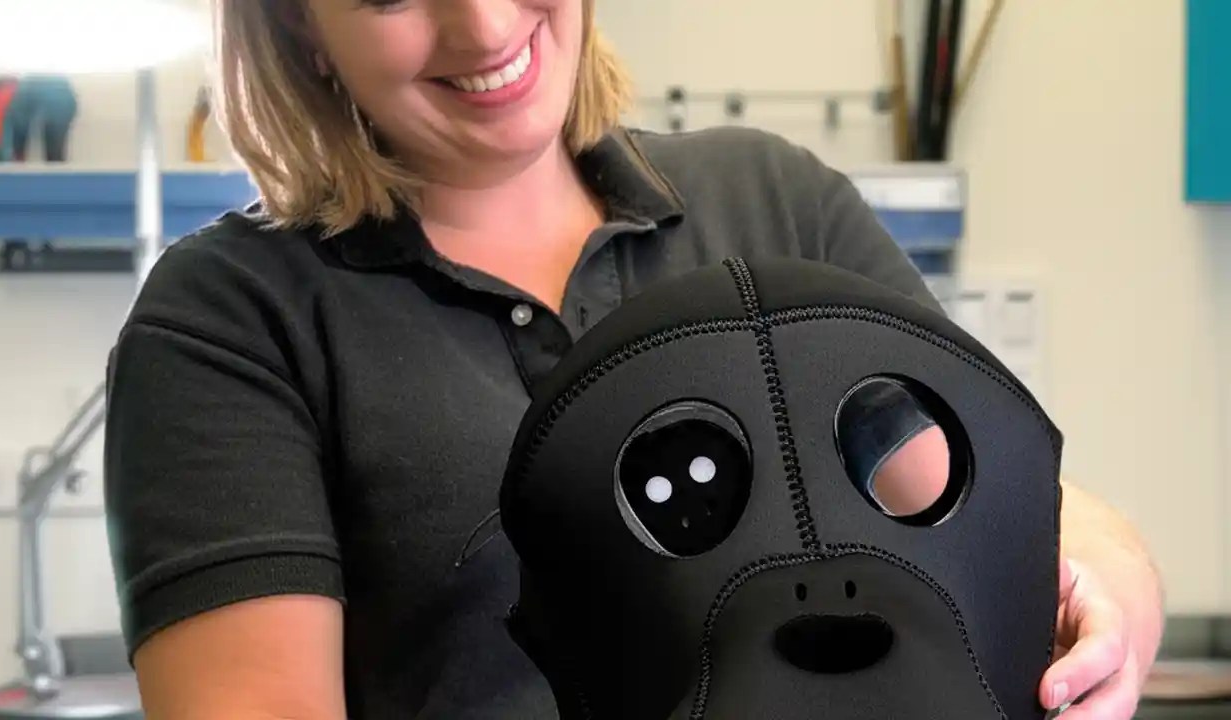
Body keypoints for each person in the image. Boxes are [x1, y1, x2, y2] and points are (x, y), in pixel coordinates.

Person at [102, 1, 1165, 718]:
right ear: (300, 26)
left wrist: (1109, 604)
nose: (481, 23)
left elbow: (1023, 511)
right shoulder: (233, 317)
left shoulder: (774, 204)